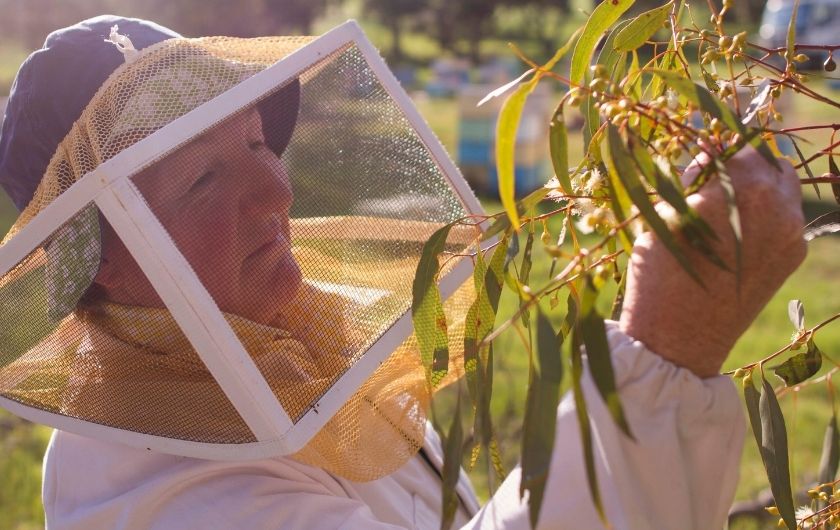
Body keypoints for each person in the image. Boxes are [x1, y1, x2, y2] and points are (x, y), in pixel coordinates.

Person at [0, 15, 807, 530]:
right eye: (201, 181)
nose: (277, 191)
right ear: (98, 263)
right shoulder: (161, 502)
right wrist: (660, 355)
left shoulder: (278, 342)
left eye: (254, 143)